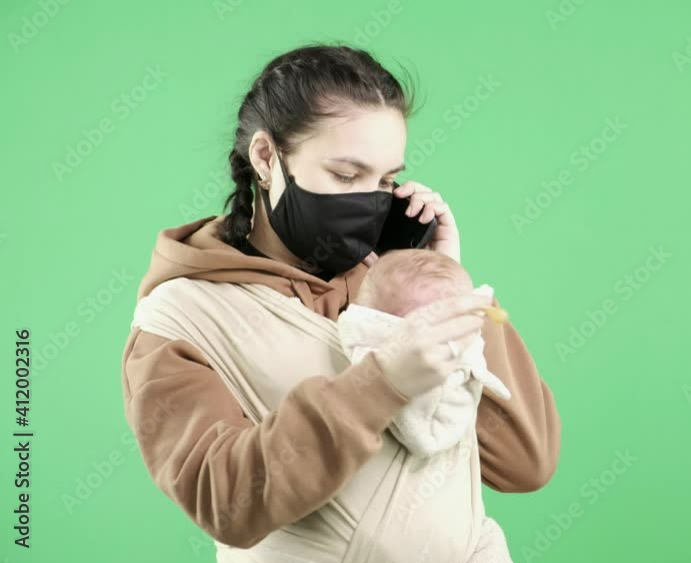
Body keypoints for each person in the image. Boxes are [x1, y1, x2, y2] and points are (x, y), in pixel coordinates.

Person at [120, 43, 561, 562]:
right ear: (266, 158)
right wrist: (382, 383)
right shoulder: (180, 320)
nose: (369, 199)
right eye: (346, 176)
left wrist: (448, 291)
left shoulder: (385, 283)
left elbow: (526, 463)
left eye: (386, 180)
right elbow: (227, 503)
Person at [337, 248, 514, 562]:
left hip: (464, 532)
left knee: (488, 539)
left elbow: (528, 463)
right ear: (383, 322)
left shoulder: (468, 343)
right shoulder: (369, 353)